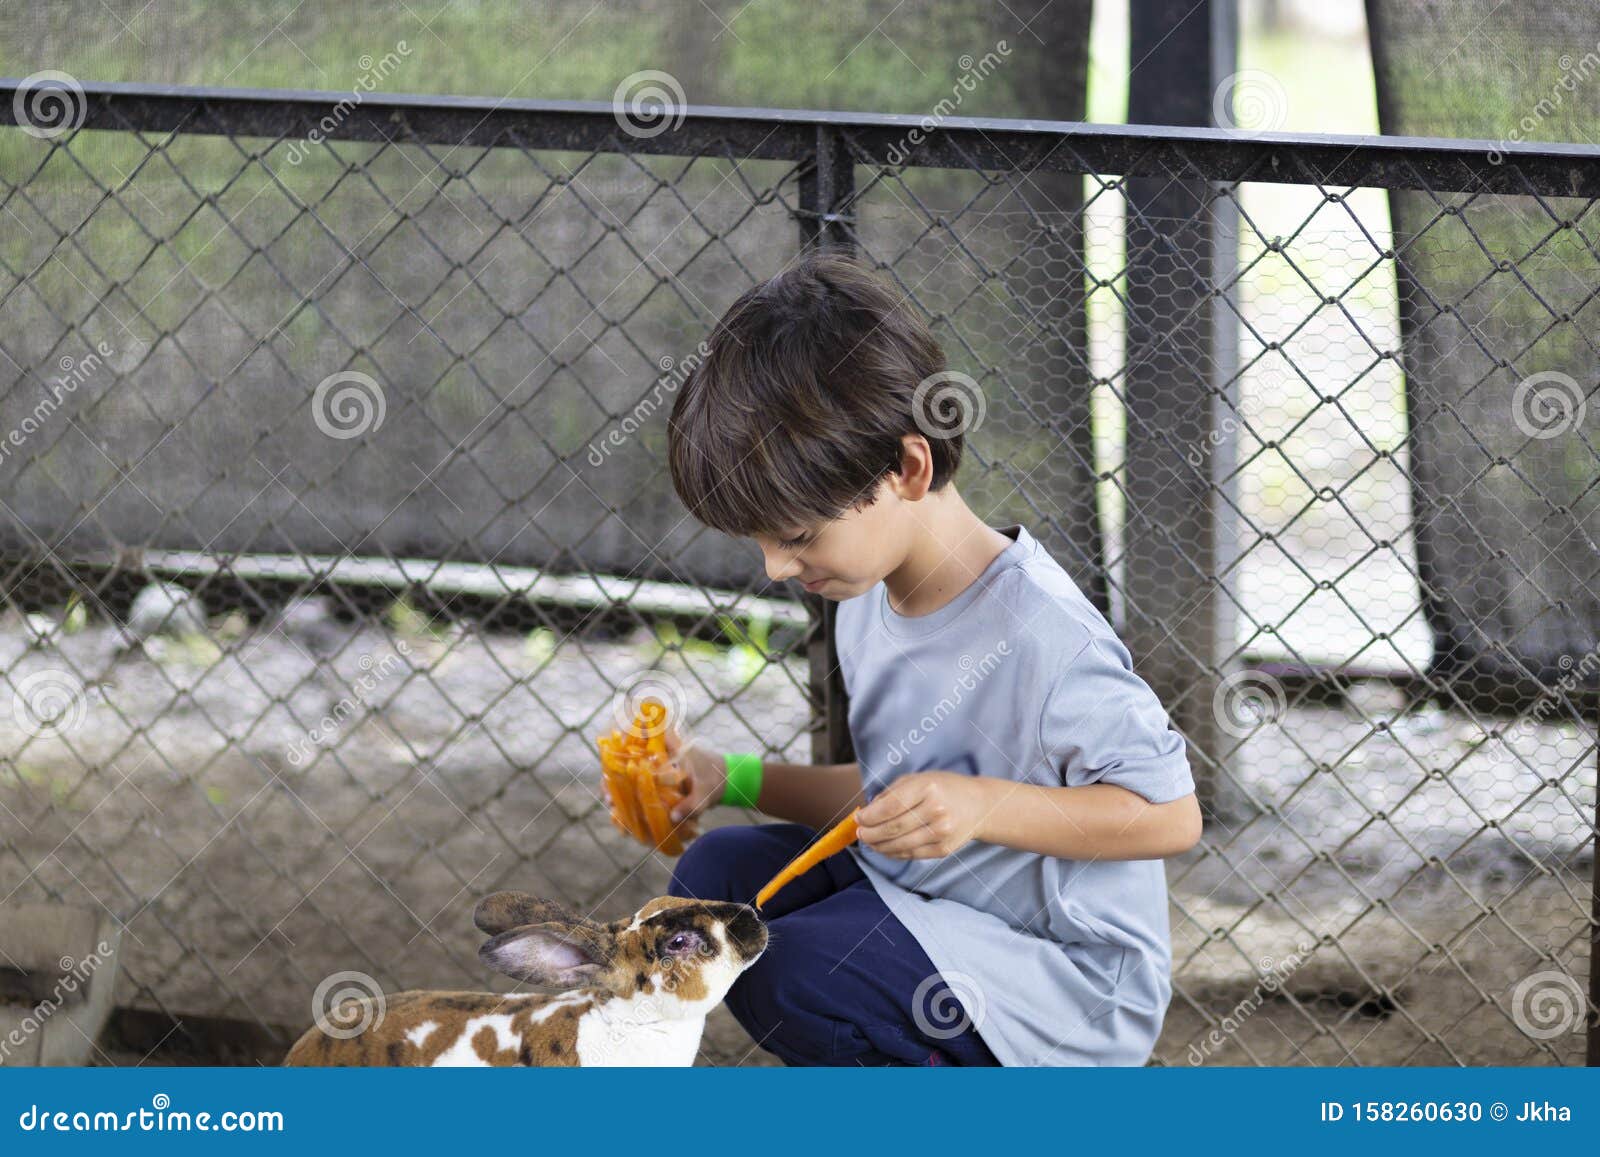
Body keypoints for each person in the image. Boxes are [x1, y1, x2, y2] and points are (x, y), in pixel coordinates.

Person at [658, 251, 1202, 1066]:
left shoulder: (1047, 634)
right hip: (926, 903)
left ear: (907, 468)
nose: (775, 565)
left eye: (796, 535)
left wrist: (981, 806)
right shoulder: (865, 595)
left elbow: (1169, 815)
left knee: (796, 966)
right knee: (712, 886)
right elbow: (893, 798)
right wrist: (728, 776)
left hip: (1060, 982)